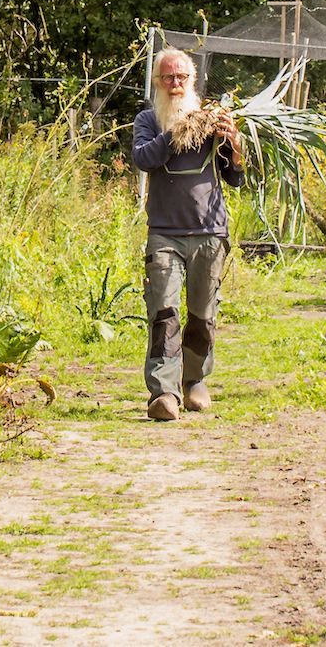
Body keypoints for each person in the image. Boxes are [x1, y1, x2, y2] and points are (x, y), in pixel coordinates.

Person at [132, 48, 244, 419]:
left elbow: (235, 178)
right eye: (168, 78)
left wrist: (235, 145)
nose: (175, 84)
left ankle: (195, 382)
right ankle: (163, 394)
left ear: (192, 80)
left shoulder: (212, 121)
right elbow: (145, 159)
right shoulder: (148, 121)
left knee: (201, 313)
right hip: (164, 233)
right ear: (157, 83)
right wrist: (175, 131)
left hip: (209, 232)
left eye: (182, 77)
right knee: (164, 312)